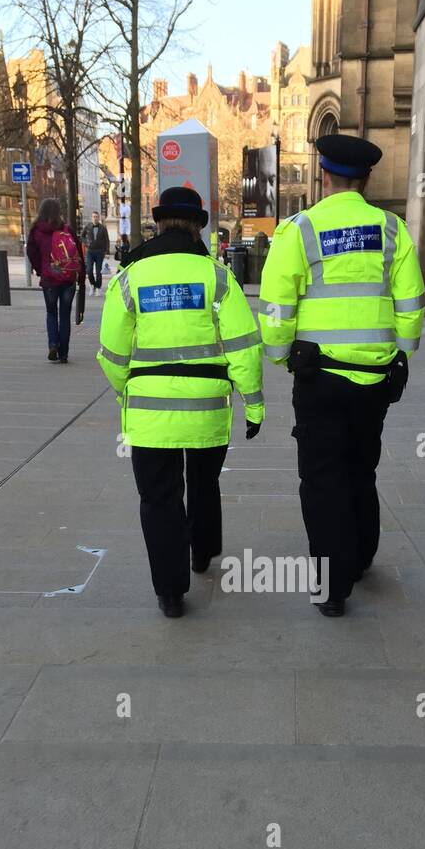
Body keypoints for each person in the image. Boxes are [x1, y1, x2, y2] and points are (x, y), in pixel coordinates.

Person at [259, 134, 425, 617]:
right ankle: (361, 555)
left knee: (321, 475)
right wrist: (402, 353)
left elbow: (277, 303)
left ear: (324, 175)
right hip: (375, 377)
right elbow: (411, 301)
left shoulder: (300, 229)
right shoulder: (392, 229)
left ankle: (333, 588)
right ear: (366, 178)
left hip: (320, 377)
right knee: (361, 464)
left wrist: (279, 355)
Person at [97, 186, 265, 618]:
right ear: (197, 227)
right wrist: (254, 404)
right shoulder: (217, 277)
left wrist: (125, 391)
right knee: (205, 482)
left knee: (158, 498)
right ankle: (203, 552)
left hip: (150, 414)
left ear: (158, 225)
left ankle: (171, 593)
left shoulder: (130, 278)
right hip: (208, 408)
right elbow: (243, 347)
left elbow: (112, 352)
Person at [26, 198, 86, 364]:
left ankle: (53, 344)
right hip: (68, 279)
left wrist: (40, 270)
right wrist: (81, 276)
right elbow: (79, 254)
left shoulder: (36, 231)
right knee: (65, 315)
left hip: (49, 280)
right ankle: (64, 353)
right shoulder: (67, 230)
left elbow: (31, 253)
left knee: (51, 313)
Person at [82, 211, 110, 294]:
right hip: (90, 251)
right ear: (92, 218)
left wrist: (106, 251)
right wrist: (86, 243)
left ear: (99, 218)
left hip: (99, 252)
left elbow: (106, 240)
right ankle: (92, 284)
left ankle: (98, 287)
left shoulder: (103, 228)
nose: (95, 218)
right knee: (89, 270)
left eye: (96, 217)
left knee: (98, 271)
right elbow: (82, 236)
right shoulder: (88, 226)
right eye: (93, 217)